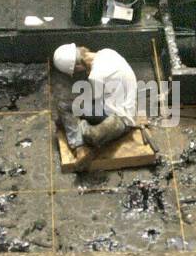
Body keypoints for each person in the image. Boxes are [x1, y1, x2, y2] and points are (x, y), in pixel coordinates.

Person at [52, 42, 138, 171]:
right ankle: (77, 140)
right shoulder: (107, 51)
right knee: (68, 108)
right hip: (113, 104)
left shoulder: (96, 75)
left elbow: (91, 100)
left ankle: (77, 135)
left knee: (90, 135)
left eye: (76, 71)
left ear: (78, 65)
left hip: (122, 119)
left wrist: (74, 118)